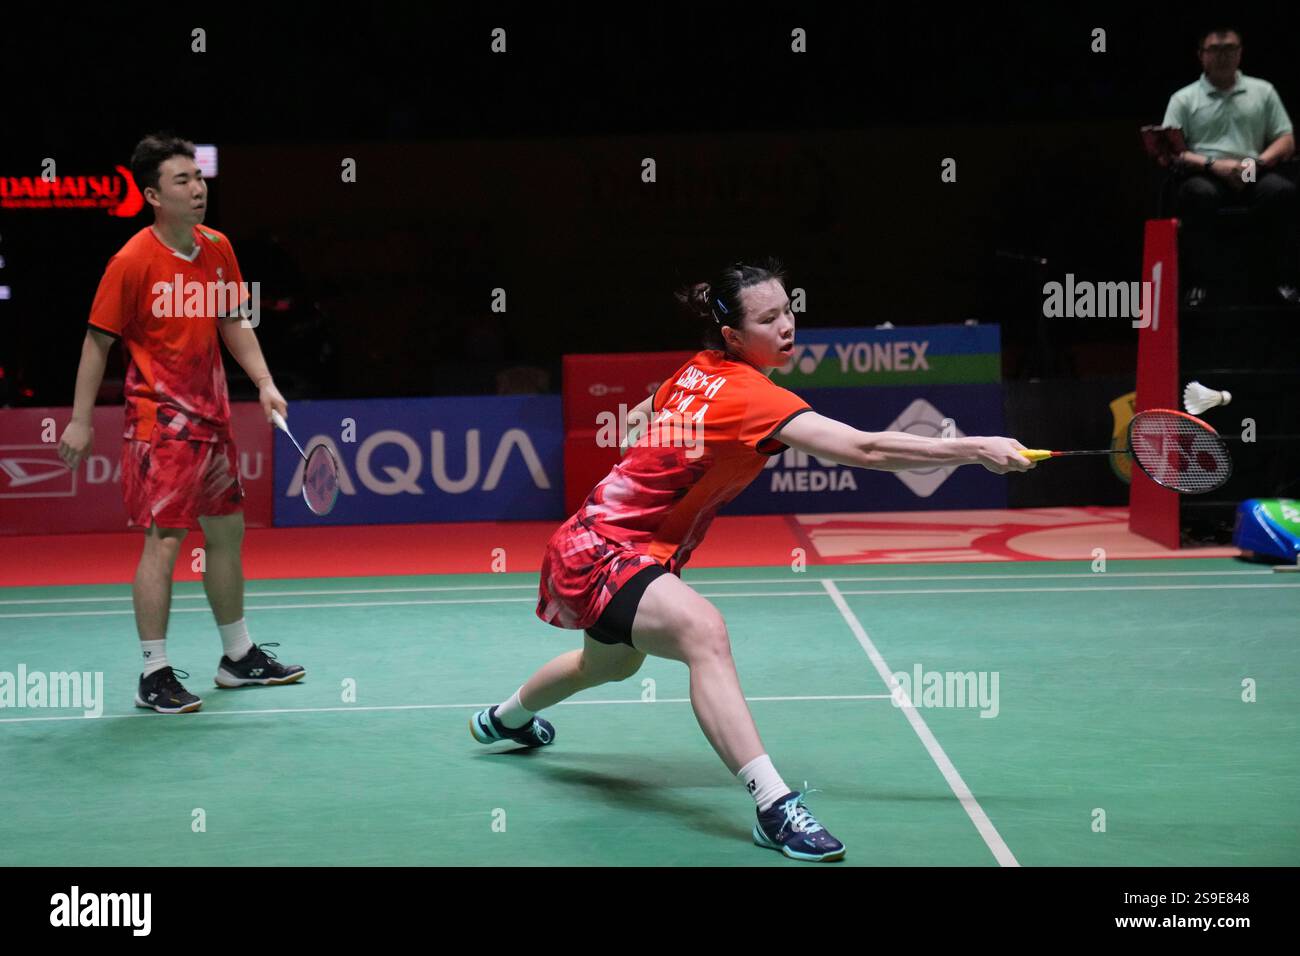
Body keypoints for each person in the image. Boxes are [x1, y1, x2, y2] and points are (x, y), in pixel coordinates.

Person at [470, 259, 1035, 861]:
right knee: (704, 634)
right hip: (606, 549)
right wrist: (975, 448)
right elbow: (865, 449)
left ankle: (502, 721)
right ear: (734, 336)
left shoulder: (698, 370)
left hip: (598, 541)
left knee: (607, 667)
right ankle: (774, 804)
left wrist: (659, 458)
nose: (788, 325)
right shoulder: (753, 397)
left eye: (790, 309)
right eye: (770, 318)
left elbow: (639, 416)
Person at [57, 132, 304, 714]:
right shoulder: (131, 261)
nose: (197, 190)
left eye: (198, 179)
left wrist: (265, 383)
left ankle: (237, 656)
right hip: (159, 425)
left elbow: (234, 322)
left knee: (226, 533)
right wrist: (78, 420)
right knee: (163, 542)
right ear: (152, 195)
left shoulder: (217, 247)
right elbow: (97, 343)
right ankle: (154, 672)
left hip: (213, 419)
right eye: (182, 182)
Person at [1162, 26, 1297, 307]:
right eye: (1215, 50)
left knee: (1282, 192)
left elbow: (1285, 139)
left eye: (1230, 49)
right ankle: (1198, 283)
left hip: (1252, 168)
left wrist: (1254, 164)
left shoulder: (1263, 91)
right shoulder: (1183, 98)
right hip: (1206, 171)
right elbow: (1172, 150)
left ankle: (1283, 280)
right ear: (1201, 56)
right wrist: (1214, 165)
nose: (1223, 56)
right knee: (1198, 195)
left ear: (1240, 53)